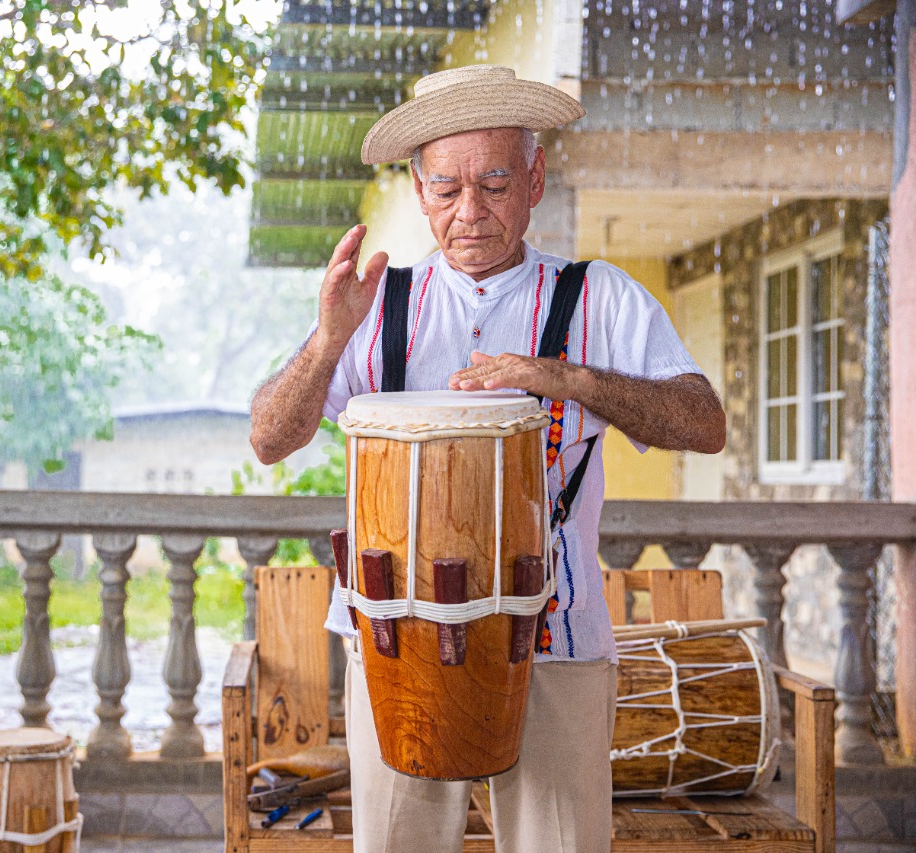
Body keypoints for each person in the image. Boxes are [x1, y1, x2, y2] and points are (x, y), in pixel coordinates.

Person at [248, 65, 726, 853]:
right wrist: (329, 334)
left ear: (535, 177)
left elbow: (703, 422)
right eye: (446, 188)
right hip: (393, 641)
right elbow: (269, 438)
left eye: (496, 184)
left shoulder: (599, 299)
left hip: (557, 640)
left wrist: (562, 376)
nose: (469, 212)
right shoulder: (376, 306)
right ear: (417, 186)